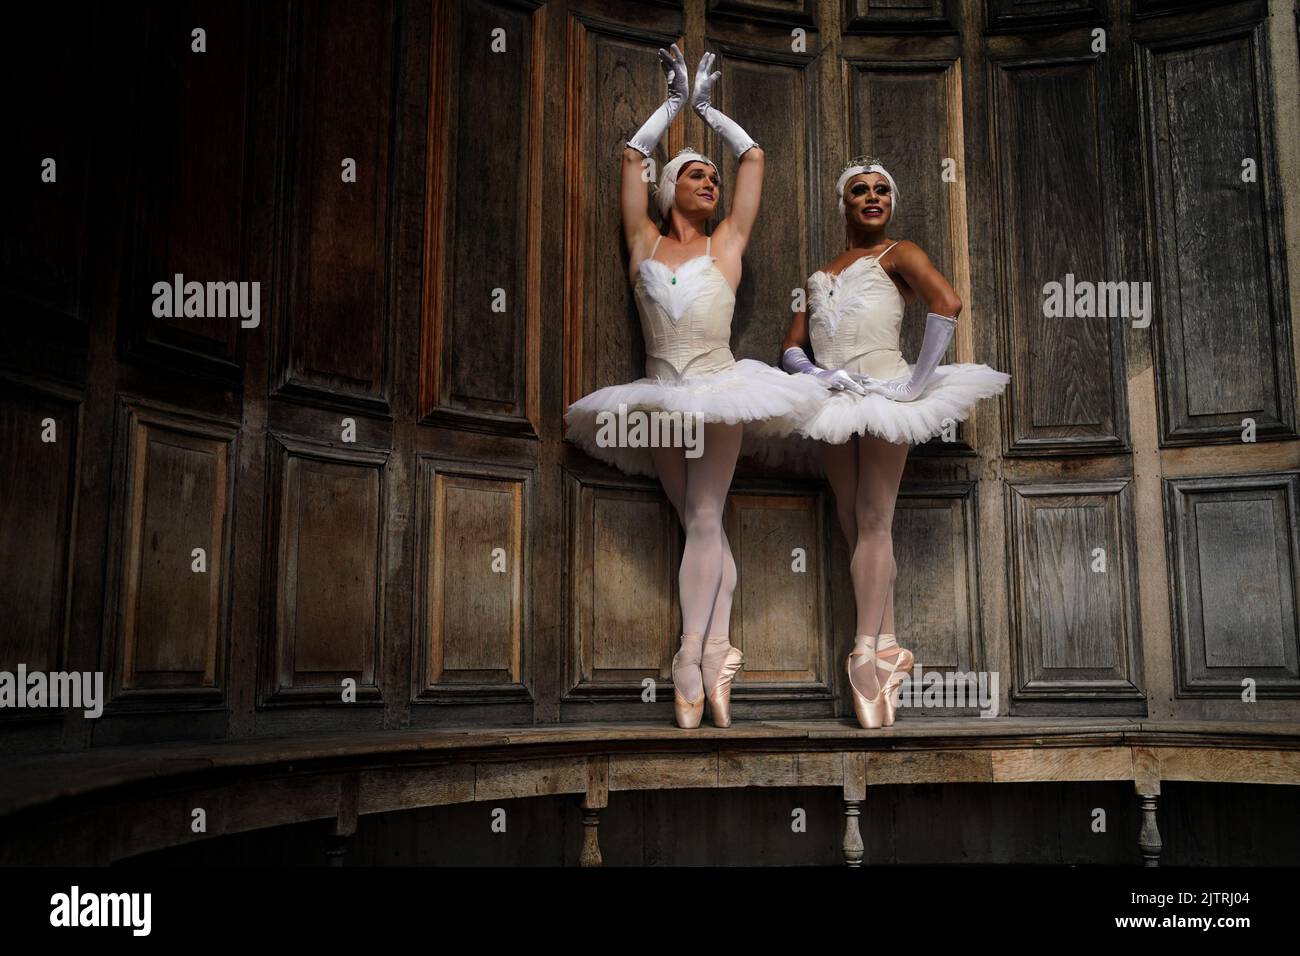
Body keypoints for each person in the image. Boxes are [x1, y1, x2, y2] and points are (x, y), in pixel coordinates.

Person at [564, 45, 822, 729]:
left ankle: (688, 658)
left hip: (717, 390)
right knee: (697, 525)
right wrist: (672, 109)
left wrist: (710, 112)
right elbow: (628, 157)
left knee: (705, 519)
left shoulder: (727, 244)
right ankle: (720, 648)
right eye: (696, 173)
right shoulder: (643, 243)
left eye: (713, 175)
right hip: (656, 397)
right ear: (668, 186)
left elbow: (756, 161)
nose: (710, 182)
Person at [779, 157, 1010, 728]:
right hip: (835, 399)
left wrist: (916, 381)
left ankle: (863, 652)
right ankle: (886, 644)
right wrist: (815, 376)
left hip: (886, 393)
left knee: (875, 518)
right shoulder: (821, 271)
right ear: (844, 205)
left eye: (882, 189)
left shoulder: (899, 253)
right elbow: (790, 346)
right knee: (850, 517)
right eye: (860, 190)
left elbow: (948, 303)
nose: (872, 197)